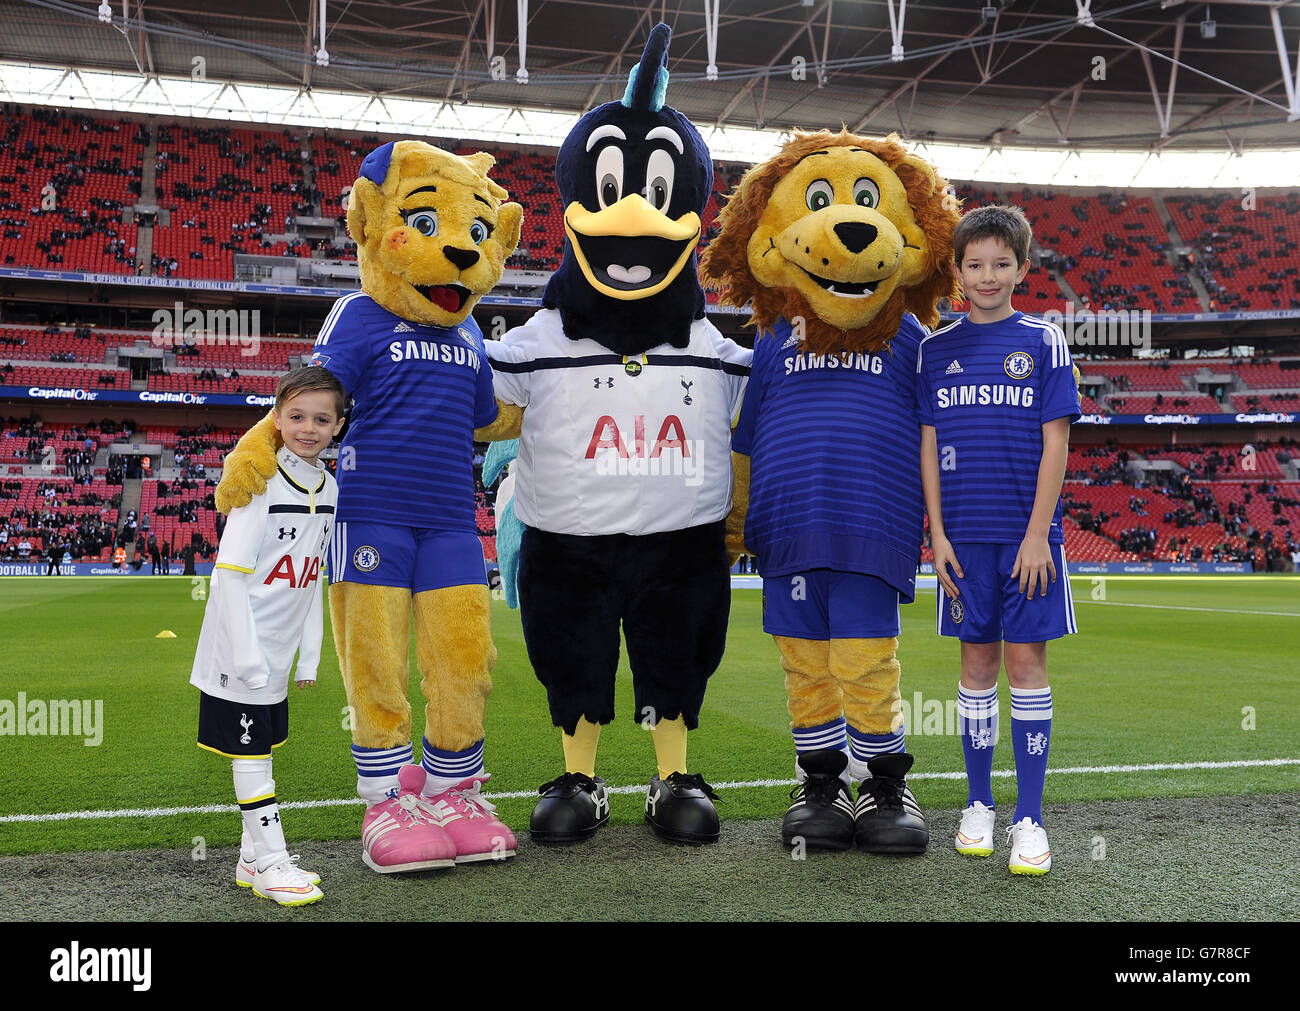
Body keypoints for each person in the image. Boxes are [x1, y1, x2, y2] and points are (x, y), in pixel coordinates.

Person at [915, 205, 1080, 876]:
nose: (988, 276)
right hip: (963, 544)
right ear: (957, 271)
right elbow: (928, 447)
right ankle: (979, 803)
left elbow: (1057, 441)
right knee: (976, 670)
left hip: (1027, 544)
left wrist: (1038, 533)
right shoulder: (934, 349)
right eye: (975, 264)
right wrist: (938, 535)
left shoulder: (1044, 341)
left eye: (1001, 264)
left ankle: (1031, 816)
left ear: (1022, 268)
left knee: (1026, 669)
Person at [189, 367, 344, 906]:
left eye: (321, 418)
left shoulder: (328, 487)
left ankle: (251, 858)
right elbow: (227, 575)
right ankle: (274, 861)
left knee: (265, 750)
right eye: (296, 416)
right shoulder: (260, 483)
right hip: (240, 652)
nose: (308, 428)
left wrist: (308, 656)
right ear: (276, 419)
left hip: (277, 652)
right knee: (252, 757)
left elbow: (312, 577)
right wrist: (248, 654)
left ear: (338, 425)